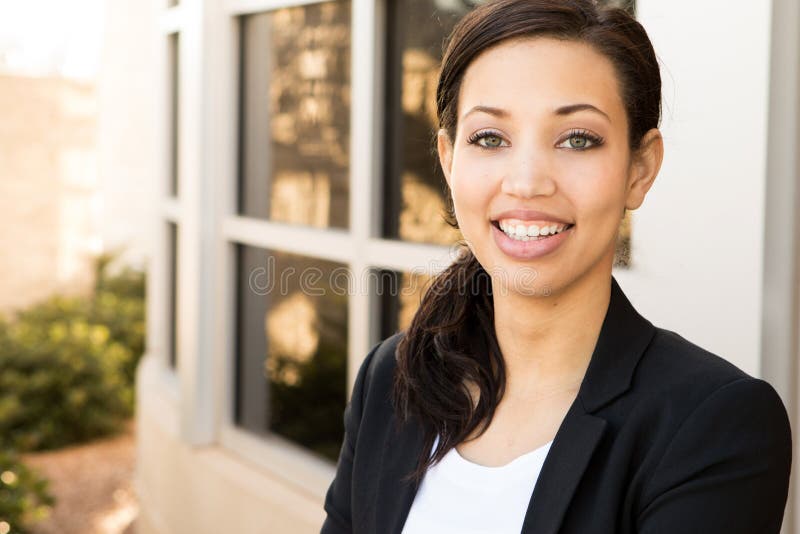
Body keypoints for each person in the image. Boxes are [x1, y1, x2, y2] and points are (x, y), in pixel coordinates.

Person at [321, 0, 793, 532]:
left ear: (640, 169)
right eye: (490, 138)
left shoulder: (714, 424)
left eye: (577, 139)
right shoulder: (393, 376)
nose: (527, 182)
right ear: (449, 160)